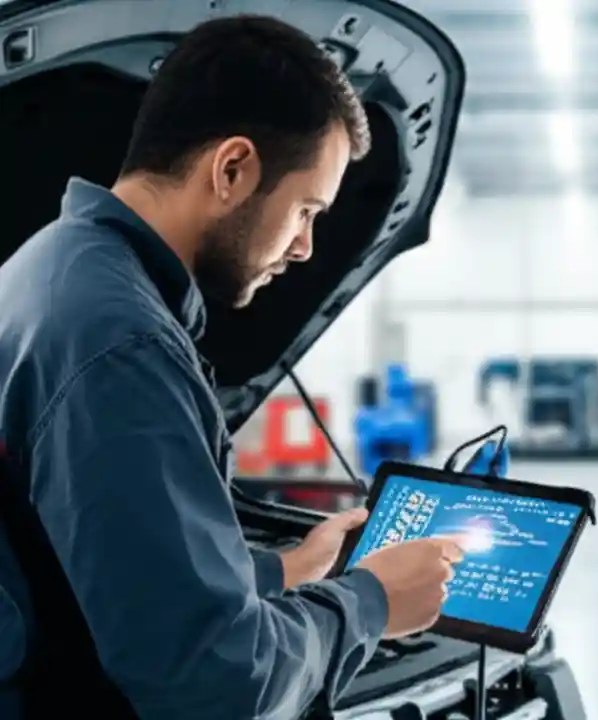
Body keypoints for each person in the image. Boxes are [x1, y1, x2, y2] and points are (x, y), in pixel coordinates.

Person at [0, 16, 464, 718]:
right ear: (232, 169)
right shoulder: (122, 345)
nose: (308, 247)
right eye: (306, 208)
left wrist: (289, 570)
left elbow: (115, 562)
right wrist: (371, 602)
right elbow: (213, 686)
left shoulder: (56, 266)